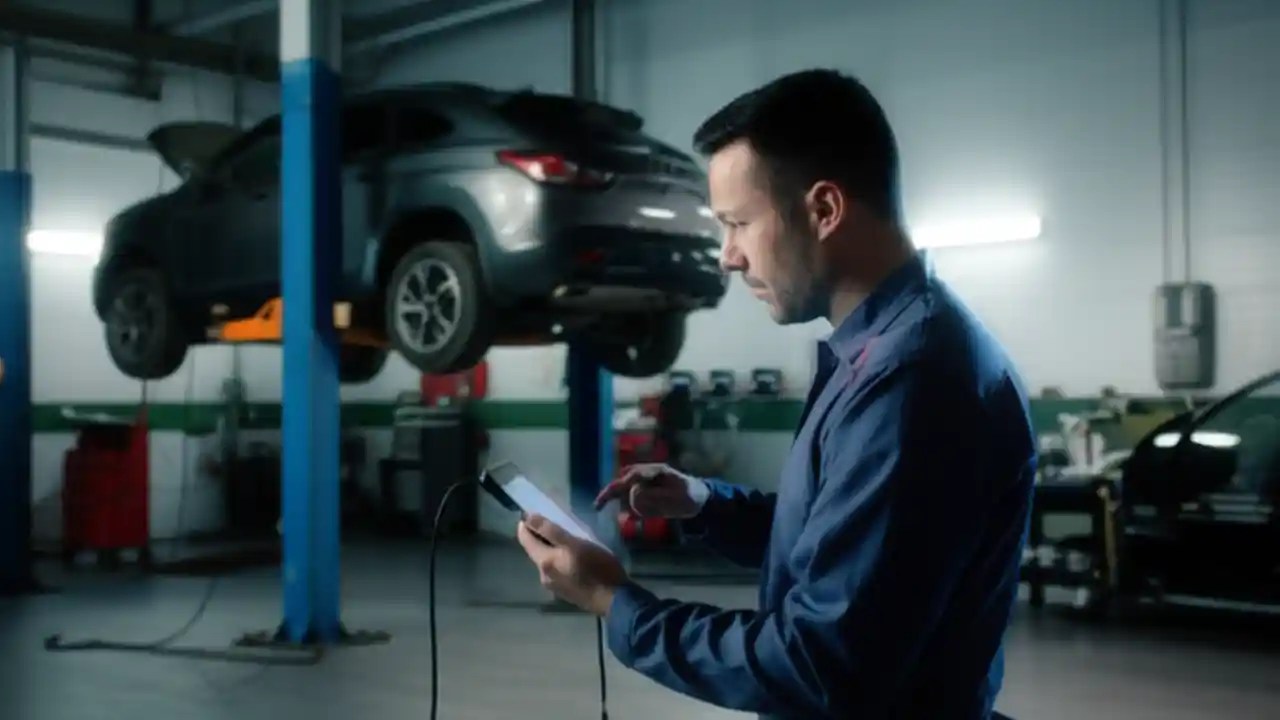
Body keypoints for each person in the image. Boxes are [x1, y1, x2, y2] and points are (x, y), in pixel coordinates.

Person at [515, 68, 1037, 719]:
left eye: (737, 223)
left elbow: (819, 664)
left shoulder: (910, 381)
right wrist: (705, 505)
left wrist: (615, 604)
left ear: (824, 210)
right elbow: (849, 548)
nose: (727, 256)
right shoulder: (888, 348)